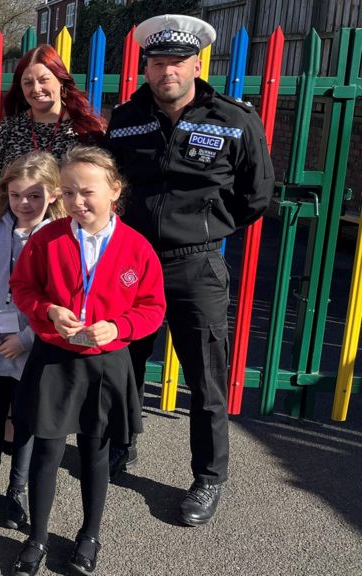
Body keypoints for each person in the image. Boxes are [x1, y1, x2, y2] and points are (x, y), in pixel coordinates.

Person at [105, 14, 274, 526]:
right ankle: (122, 443)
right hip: (134, 263)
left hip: (194, 264)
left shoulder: (234, 119)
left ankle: (208, 476)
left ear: (197, 65)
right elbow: (111, 183)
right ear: (146, 68)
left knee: (206, 379)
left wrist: (205, 226)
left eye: (177, 62)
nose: (167, 72)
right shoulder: (126, 118)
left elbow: (256, 194)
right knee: (124, 364)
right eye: (158, 63)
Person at [9, 146, 165, 576]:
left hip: (106, 363)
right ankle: (37, 537)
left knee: (96, 453)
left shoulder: (137, 247)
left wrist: (119, 327)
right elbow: (22, 287)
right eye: (69, 192)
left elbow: (153, 307)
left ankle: (90, 535)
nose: (77, 201)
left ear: (115, 190)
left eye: (87, 192)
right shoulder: (47, 239)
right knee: (47, 451)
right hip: (55, 360)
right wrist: (48, 311)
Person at [0, 152, 65, 529]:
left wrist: (27, 338)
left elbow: (62, 297)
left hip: (31, 348)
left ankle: (17, 489)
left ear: (53, 194)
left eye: (34, 196)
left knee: (24, 420)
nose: (24, 203)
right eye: (16, 194)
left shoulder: (60, 238)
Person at [0, 44, 105, 202]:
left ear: (61, 80)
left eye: (44, 80)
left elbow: (98, 186)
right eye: (28, 82)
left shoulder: (86, 130)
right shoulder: (7, 129)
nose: (36, 89)